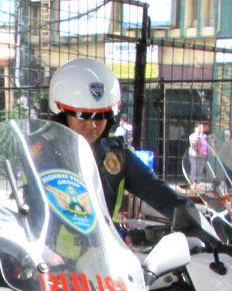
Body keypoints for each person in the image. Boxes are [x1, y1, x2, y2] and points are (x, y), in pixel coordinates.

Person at [48, 56, 192, 222]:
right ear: (61, 115)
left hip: (105, 246)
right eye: (83, 118)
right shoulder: (42, 151)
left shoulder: (116, 154)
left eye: (101, 118)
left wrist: (198, 220)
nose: (93, 126)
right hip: (46, 247)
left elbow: (161, 194)